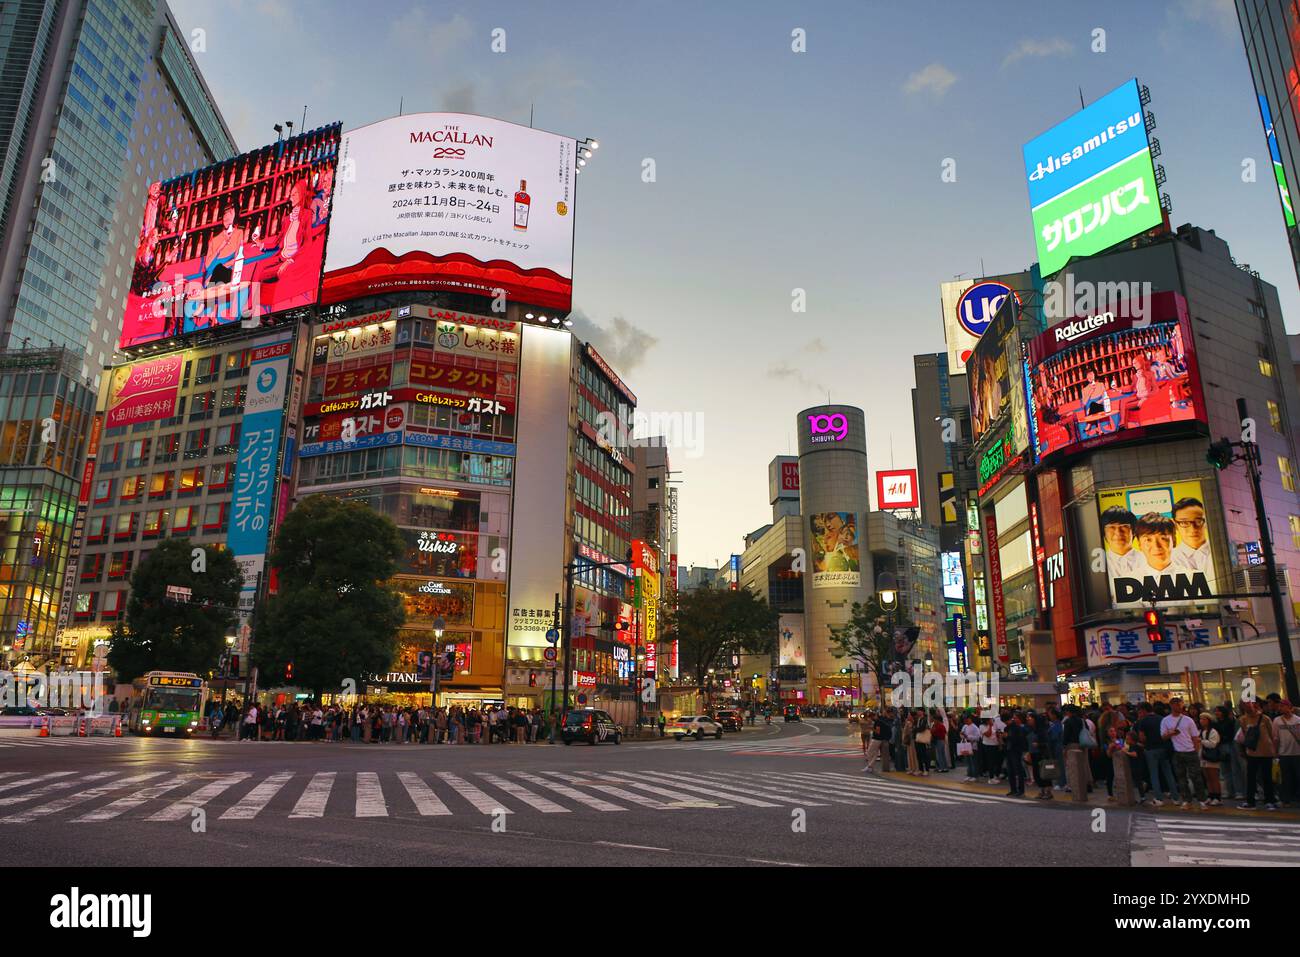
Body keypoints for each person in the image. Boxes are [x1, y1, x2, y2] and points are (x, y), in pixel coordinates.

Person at [1162, 697, 1207, 808]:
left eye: (1179, 704)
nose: (1177, 706)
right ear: (1171, 706)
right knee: (1181, 778)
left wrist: (1196, 751)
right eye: (1175, 704)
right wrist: (1171, 734)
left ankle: (1202, 800)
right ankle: (1187, 800)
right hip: (1177, 752)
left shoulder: (1188, 720)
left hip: (1190, 751)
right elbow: (1163, 736)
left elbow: (1195, 737)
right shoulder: (1166, 720)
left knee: (1196, 777)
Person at [1238, 700, 1279, 810]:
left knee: (1267, 777)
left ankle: (1270, 800)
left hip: (1267, 752)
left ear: (1255, 705)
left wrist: (1275, 751)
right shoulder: (1242, 719)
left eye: (1249, 703)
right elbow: (1244, 734)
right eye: (1244, 705)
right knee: (1251, 777)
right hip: (1252, 752)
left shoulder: (1265, 718)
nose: (1247, 706)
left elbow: (1272, 734)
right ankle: (1250, 801)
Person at [1136, 702, 1177, 805]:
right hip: (1164, 748)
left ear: (1144, 710)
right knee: (1168, 772)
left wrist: (1143, 742)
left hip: (1151, 749)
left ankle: (1158, 798)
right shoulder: (1162, 718)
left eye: (1140, 712)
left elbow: (1142, 737)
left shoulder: (1143, 721)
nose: (1139, 714)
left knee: (1154, 774)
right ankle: (1175, 797)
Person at [1275, 699, 1300, 807]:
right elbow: (1275, 737)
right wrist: (1276, 752)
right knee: (1285, 777)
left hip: (1297, 752)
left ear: (1289, 707)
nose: (1281, 708)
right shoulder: (1277, 721)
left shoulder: (1297, 720)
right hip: (1283, 753)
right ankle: (1286, 799)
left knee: (1298, 776)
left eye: (1283, 706)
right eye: (1280, 706)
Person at [1198, 712, 1223, 806]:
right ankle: (1211, 795)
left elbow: (1213, 744)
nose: (1202, 721)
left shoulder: (1213, 731)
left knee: (1214, 778)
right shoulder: (1200, 731)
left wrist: (1202, 741)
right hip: (1203, 757)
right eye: (1201, 719)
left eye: (1204, 719)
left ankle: (1217, 797)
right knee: (1207, 778)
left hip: (1212, 757)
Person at [1002, 712, 1028, 797]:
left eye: (1007, 721)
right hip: (1008, 750)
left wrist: (1007, 737)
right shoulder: (1006, 728)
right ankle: (1013, 789)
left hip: (1016, 751)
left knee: (1018, 770)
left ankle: (1021, 790)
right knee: (1010, 771)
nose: (1006, 723)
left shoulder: (1017, 728)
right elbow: (1006, 740)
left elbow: (1017, 740)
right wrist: (1004, 737)